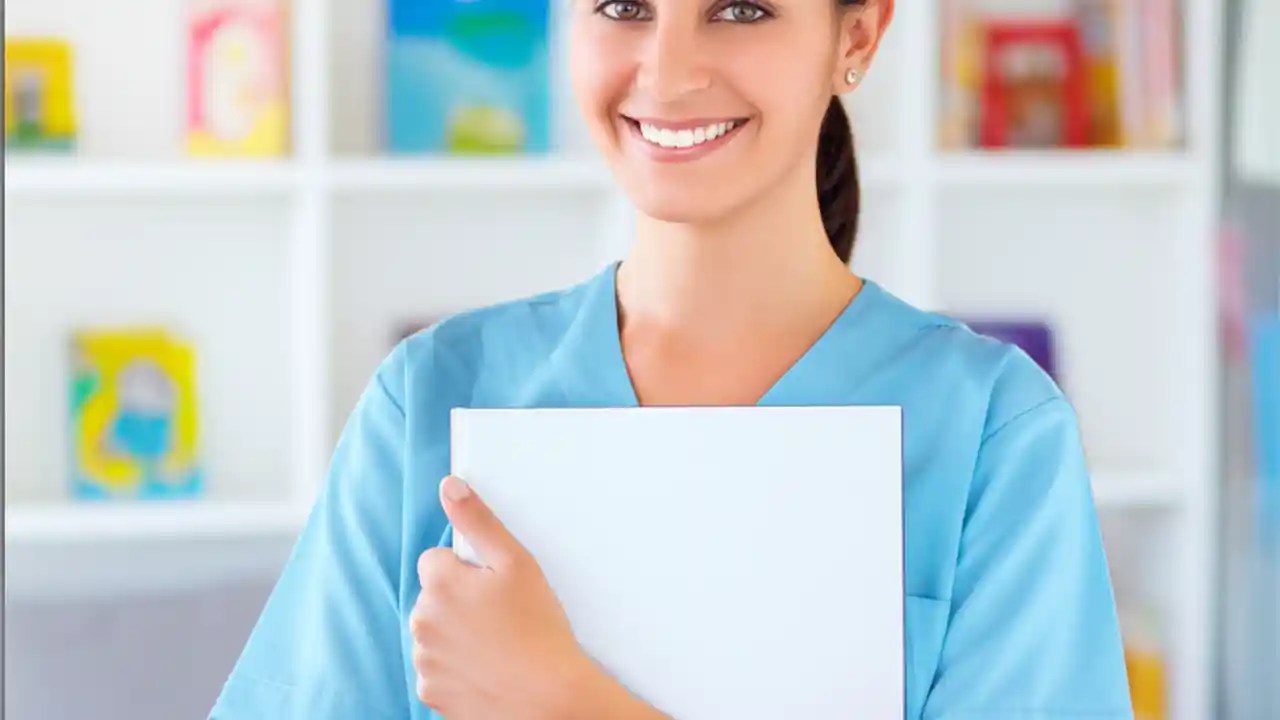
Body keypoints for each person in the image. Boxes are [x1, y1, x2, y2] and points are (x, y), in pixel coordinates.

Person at [212, 0, 1133, 717]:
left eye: (741, 9)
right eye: (624, 7)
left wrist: (564, 700)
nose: (669, 69)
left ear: (856, 34)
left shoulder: (991, 432)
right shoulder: (429, 396)